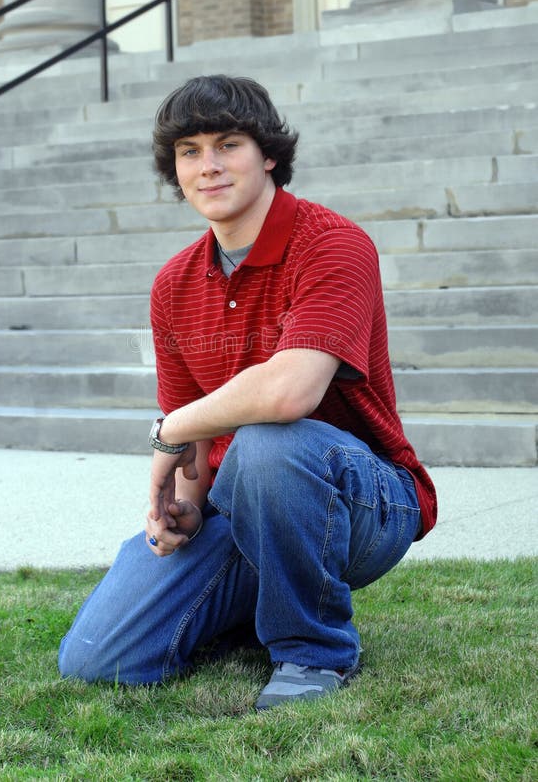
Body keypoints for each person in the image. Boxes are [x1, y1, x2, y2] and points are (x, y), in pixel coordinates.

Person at [58, 75, 437, 710]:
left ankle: (312, 653)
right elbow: (197, 444)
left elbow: (290, 393)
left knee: (268, 442)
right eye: (188, 151)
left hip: (365, 501)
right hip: (243, 501)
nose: (207, 166)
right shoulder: (174, 284)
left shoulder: (333, 243)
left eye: (227, 144)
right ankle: (251, 601)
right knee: (100, 658)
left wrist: (171, 426)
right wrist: (181, 511)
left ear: (267, 154)